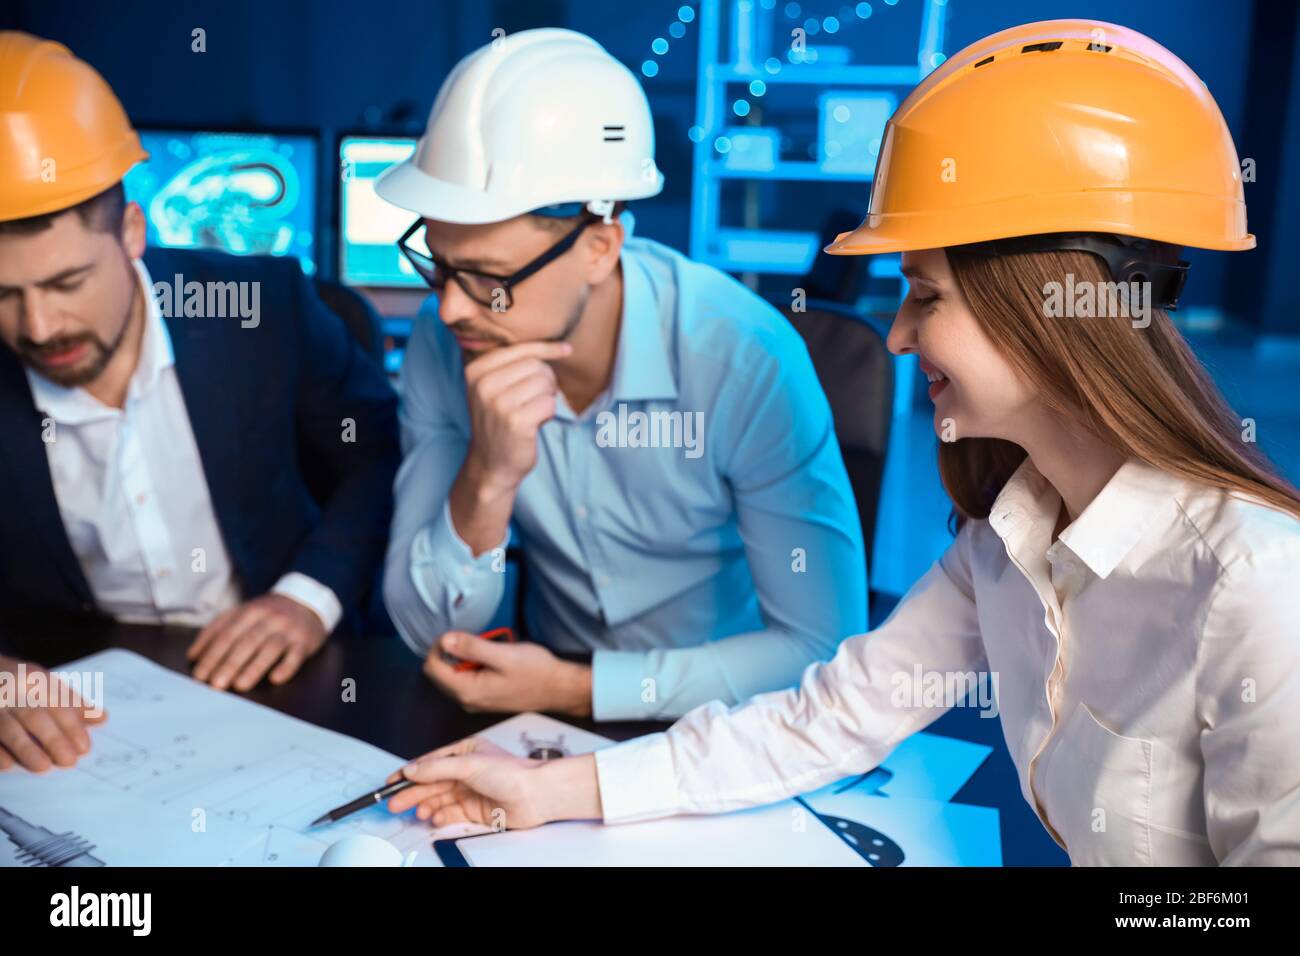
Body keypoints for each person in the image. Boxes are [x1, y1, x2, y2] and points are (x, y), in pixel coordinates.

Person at [386, 20, 1300, 865]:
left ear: (1050, 306)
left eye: (925, 296)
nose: (894, 339)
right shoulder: (1005, 537)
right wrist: (548, 790)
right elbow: (830, 716)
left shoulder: (1259, 590)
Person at [381, 29, 867, 722]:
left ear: (600, 246)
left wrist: (574, 688)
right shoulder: (442, 342)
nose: (451, 307)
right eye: (438, 263)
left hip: (728, 713)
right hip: (540, 710)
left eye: (489, 278)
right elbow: (423, 630)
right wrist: (488, 476)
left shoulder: (743, 361)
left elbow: (820, 648)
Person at [0, 32, 400, 772]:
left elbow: (375, 453)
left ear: (132, 233)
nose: (40, 327)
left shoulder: (260, 306)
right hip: (76, 704)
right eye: (4, 295)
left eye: (66, 284)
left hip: (290, 682)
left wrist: (309, 596)